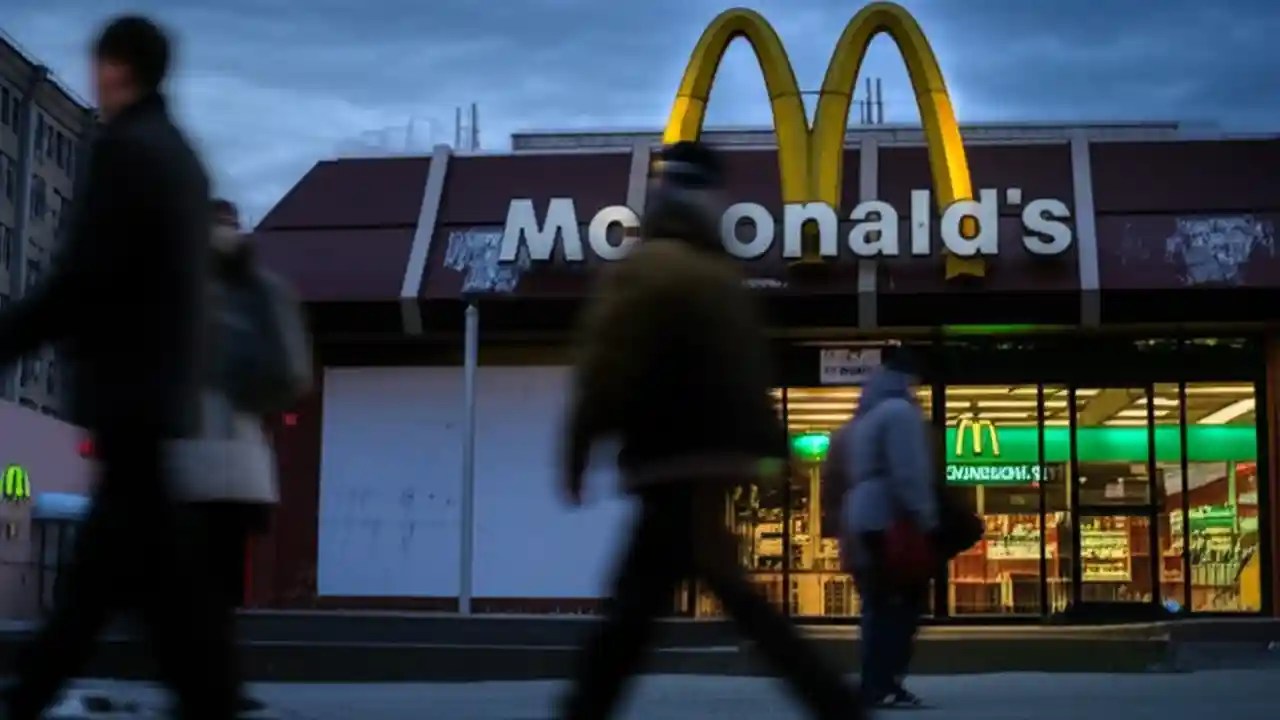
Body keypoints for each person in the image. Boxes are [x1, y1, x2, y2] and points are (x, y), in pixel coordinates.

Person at [559, 140, 863, 720]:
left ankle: (583, 708)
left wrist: (577, 450)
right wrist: (775, 453)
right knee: (712, 595)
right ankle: (833, 701)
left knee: (637, 608)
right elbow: (750, 373)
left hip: (667, 459)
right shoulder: (723, 276)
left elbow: (602, 364)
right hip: (716, 464)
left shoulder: (644, 268)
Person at [0, 16, 237, 720]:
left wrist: (10, 337)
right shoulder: (183, 160)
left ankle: (32, 698)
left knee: (105, 589)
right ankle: (206, 698)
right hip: (160, 395)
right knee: (148, 587)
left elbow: (81, 276)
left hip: (126, 392)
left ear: (116, 69)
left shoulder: (125, 150)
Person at [838, 353, 938, 708]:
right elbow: (909, 472)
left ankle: (873, 681)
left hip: (861, 515)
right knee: (901, 605)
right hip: (889, 517)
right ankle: (885, 681)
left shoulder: (865, 418)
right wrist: (925, 517)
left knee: (877, 604)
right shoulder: (899, 414)